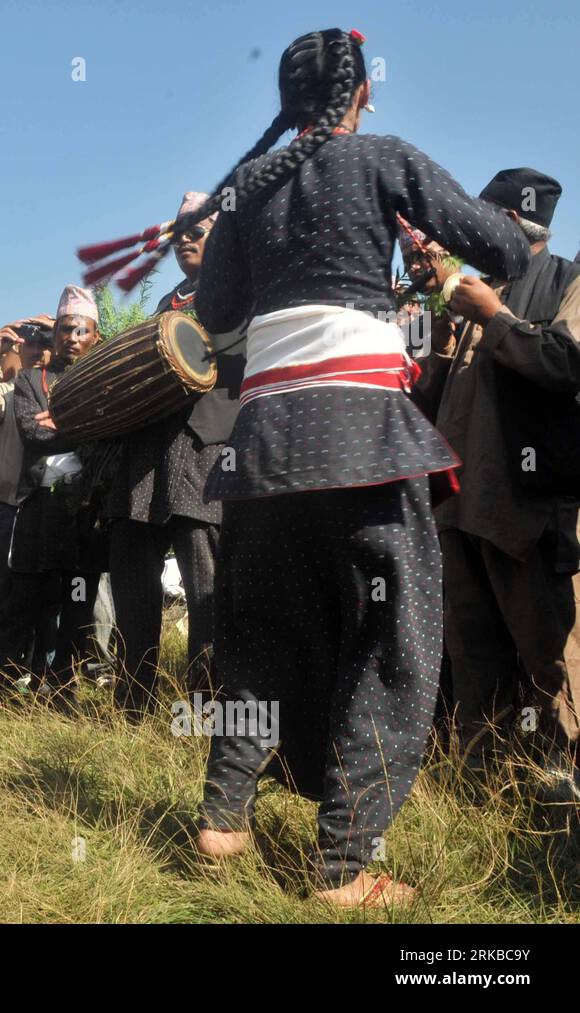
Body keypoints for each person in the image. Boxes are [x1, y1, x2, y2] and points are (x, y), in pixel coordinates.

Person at [173, 28, 529, 905]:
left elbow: (216, 315)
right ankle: (342, 866)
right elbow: (510, 249)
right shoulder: (382, 158)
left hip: (260, 444)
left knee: (256, 632)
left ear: (289, 101)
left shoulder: (248, 195)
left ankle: (222, 818)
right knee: (393, 636)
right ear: (360, 91)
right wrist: (424, 255)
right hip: (360, 431)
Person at [414, 168, 580, 794]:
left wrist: (497, 317)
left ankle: (557, 799)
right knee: (473, 654)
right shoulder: (475, 293)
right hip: (461, 512)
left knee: (548, 662)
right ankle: (477, 791)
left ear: (509, 222)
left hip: (527, 512)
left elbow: (567, 362)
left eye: (480, 220)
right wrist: (435, 353)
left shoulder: (567, 281)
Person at [107, 192, 246, 712]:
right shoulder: (170, 302)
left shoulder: (242, 289)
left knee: (205, 586)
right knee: (131, 580)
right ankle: (132, 704)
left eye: (198, 231)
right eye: (180, 234)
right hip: (146, 458)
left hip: (204, 452)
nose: (185, 241)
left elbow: (245, 362)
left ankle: (205, 711)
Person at [10, 286, 108, 705]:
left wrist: (62, 423)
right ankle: (38, 679)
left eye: (82, 330)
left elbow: (109, 433)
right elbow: (32, 432)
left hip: (89, 505)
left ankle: (66, 682)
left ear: (96, 339)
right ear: (54, 335)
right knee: (43, 597)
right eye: (66, 329)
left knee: (81, 595)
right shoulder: (32, 380)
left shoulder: (106, 379)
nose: (72, 337)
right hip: (42, 502)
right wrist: (86, 426)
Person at [0, 318, 53, 681]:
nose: (39, 352)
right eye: (31, 345)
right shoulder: (10, 389)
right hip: (8, 502)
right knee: (0, 592)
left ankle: (43, 676)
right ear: (19, 349)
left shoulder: (65, 385)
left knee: (48, 595)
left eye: (47, 344)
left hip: (52, 502)